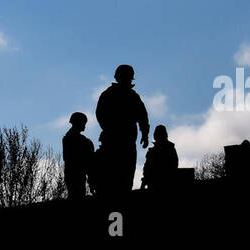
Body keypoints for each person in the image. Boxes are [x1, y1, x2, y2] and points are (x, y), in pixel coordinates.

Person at [95, 65, 150, 197]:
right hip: (114, 142)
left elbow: (142, 116)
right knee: (112, 177)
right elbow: (100, 115)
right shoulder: (110, 95)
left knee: (126, 177)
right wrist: (111, 129)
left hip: (126, 142)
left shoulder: (131, 96)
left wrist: (145, 133)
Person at [62, 112, 95, 200]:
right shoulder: (83, 141)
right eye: (84, 123)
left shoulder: (68, 139)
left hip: (73, 174)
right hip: (76, 175)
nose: (85, 126)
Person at [141, 125, 179, 190]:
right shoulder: (152, 151)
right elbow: (147, 169)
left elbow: (174, 166)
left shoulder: (169, 149)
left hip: (165, 183)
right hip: (154, 183)